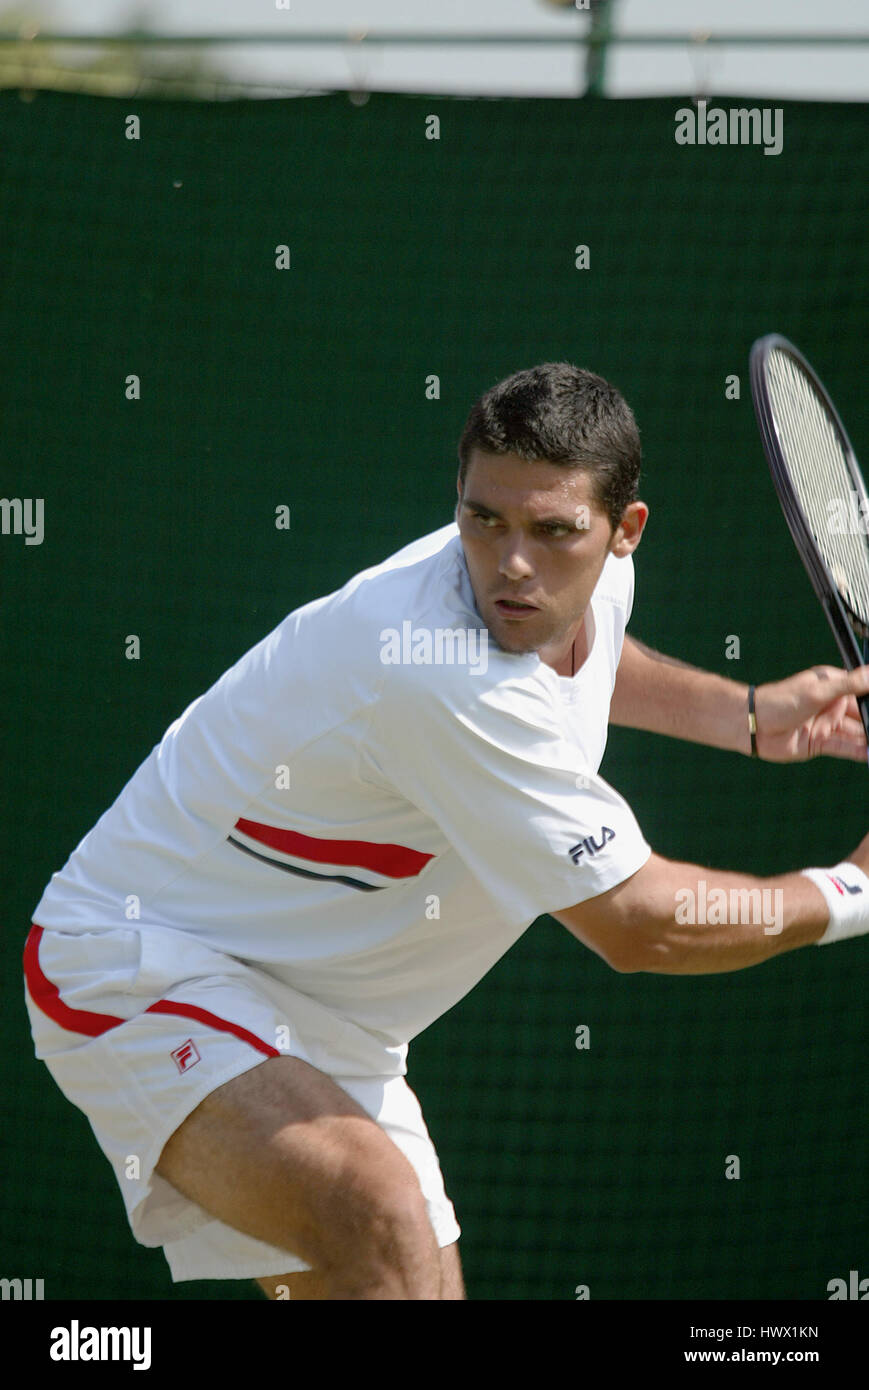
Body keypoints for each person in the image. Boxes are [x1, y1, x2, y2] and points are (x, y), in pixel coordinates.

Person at [24, 362, 869, 1302]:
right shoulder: (442, 677)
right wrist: (849, 891)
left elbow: (583, 660)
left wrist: (746, 715)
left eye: (552, 532)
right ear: (459, 499)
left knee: (413, 1285)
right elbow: (641, 925)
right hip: (142, 963)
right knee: (379, 1217)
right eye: (482, 520)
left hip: (334, 1016)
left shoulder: (551, 596)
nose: (512, 564)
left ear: (623, 534)